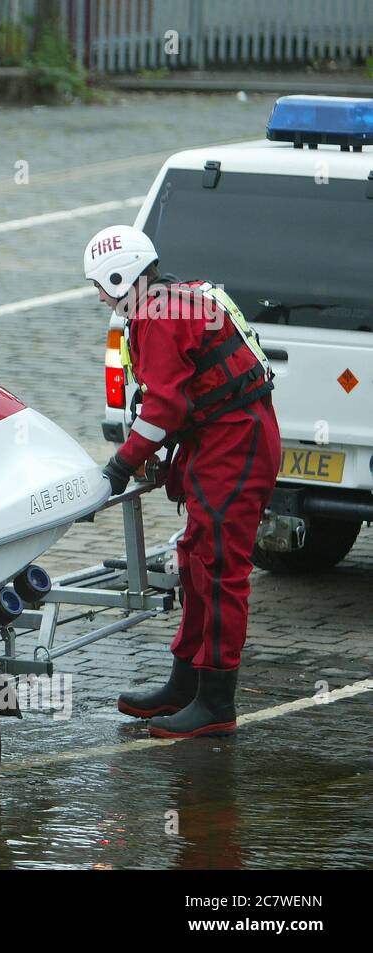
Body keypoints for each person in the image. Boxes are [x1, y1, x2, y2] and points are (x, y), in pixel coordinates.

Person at [83, 225, 281, 738]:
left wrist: (121, 464)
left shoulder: (158, 315)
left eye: (101, 286)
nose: (99, 297)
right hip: (222, 440)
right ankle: (185, 681)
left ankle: (215, 703)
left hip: (234, 444)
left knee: (218, 570)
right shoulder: (172, 300)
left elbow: (165, 408)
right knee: (195, 560)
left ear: (121, 274)